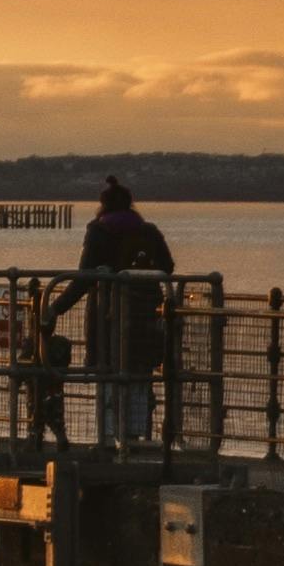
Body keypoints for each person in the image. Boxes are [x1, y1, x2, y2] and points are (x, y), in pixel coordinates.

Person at [47, 174, 180, 451]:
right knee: (140, 377)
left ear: (103, 205)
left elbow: (83, 278)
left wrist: (56, 307)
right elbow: (167, 266)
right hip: (145, 315)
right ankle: (134, 439)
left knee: (107, 374)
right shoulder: (149, 231)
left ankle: (108, 439)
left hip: (108, 317)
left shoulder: (99, 231)